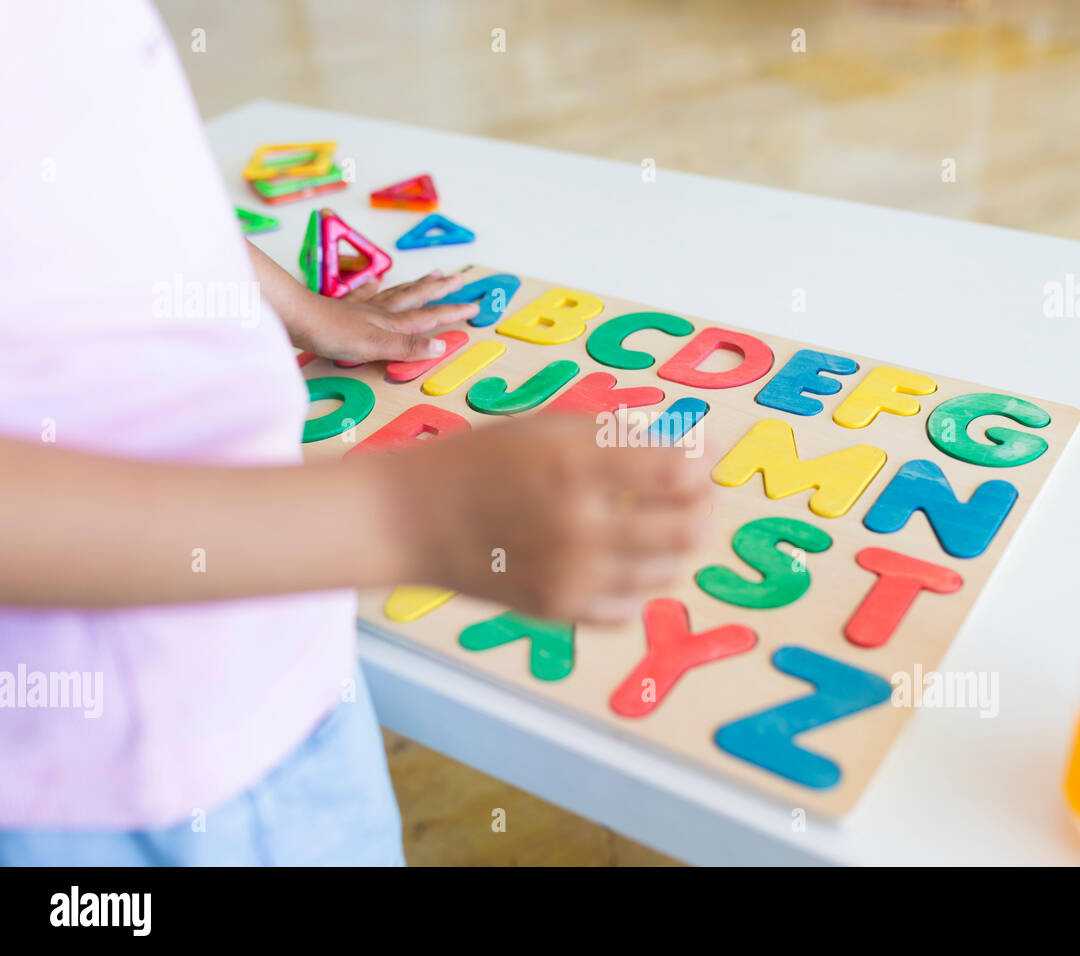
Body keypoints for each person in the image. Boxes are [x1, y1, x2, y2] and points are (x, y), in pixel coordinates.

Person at [0, 0, 710, 865]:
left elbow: (106, 161)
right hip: (96, 779)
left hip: (277, 658)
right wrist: (409, 519)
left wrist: (298, 306)